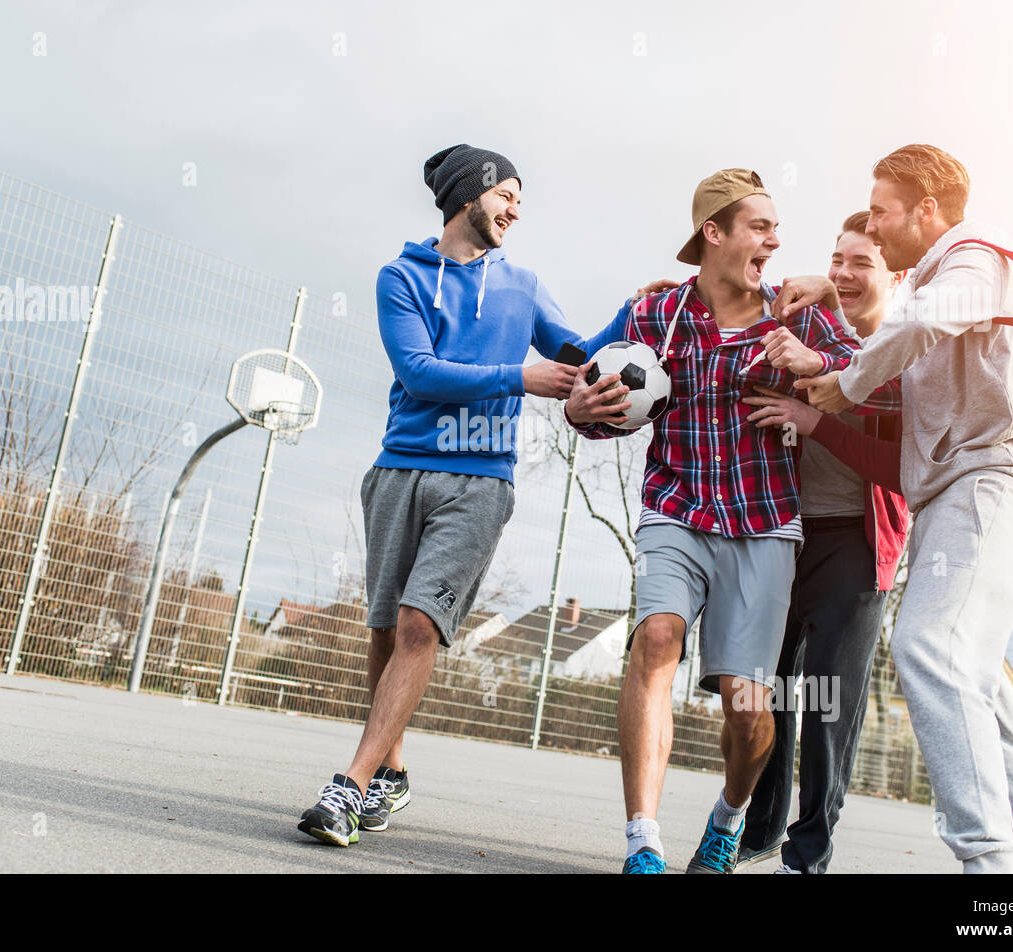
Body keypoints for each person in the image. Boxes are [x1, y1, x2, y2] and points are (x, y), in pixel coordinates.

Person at [564, 170, 900, 874]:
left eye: (777, 228)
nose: (775, 240)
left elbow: (866, 377)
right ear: (713, 234)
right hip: (675, 509)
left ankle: (732, 818)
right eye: (759, 227)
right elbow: (594, 396)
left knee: (750, 711)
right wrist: (578, 412)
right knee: (655, 639)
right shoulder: (657, 317)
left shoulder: (797, 312)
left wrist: (811, 364)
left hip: (765, 523)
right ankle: (642, 843)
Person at [297, 144, 628, 847]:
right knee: (386, 630)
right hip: (401, 469)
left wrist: (640, 310)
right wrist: (520, 376)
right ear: (466, 197)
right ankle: (390, 770)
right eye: (506, 194)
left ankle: (348, 787)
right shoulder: (400, 278)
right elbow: (419, 373)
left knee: (422, 625)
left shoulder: (525, 285)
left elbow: (578, 355)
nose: (514, 210)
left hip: (481, 480)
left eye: (519, 201)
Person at [776, 144, 1013, 873]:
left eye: (881, 211)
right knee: (975, 686)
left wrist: (843, 383)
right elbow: (900, 340)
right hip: (958, 495)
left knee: (930, 649)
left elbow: (917, 326)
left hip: (991, 483)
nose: (874, 227)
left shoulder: (974, 260)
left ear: (927, 210)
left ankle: (990, 868)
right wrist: (832, 306)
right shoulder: (937, 278)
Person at [736, 211, 910, 873]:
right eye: (837, 260)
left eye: (860, 263)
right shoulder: (805, 316)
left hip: (856, 542)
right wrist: (675, 295)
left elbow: (894, 466)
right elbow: (744, 299)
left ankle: (807, 853)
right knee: (767, 689)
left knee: (826, 701)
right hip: (780, 530)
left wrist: (815, 415)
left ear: (896, 273)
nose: (842, 273)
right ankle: (761, 828)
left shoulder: (906, 348)